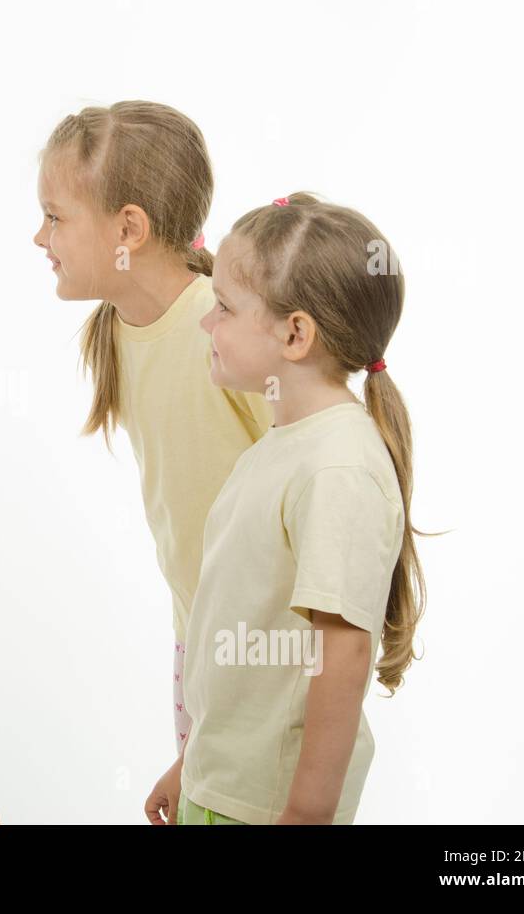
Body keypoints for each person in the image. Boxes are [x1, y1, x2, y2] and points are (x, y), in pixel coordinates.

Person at [153, 193, 427, 825]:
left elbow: (343, 652)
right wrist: (192, 762)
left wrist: (306, 814)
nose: (205, 323)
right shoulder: (283, 446)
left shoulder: (336, 467)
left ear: (295, 334)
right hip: (223, 785)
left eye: (223, 307)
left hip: (265, 807)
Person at [32, 102, 272, 788]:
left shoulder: (220, 331)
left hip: (271, 649)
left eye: (55, 216)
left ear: (127, 229)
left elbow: (313, 476)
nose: (38, 237)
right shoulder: (117, 327)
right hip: (199, 641)